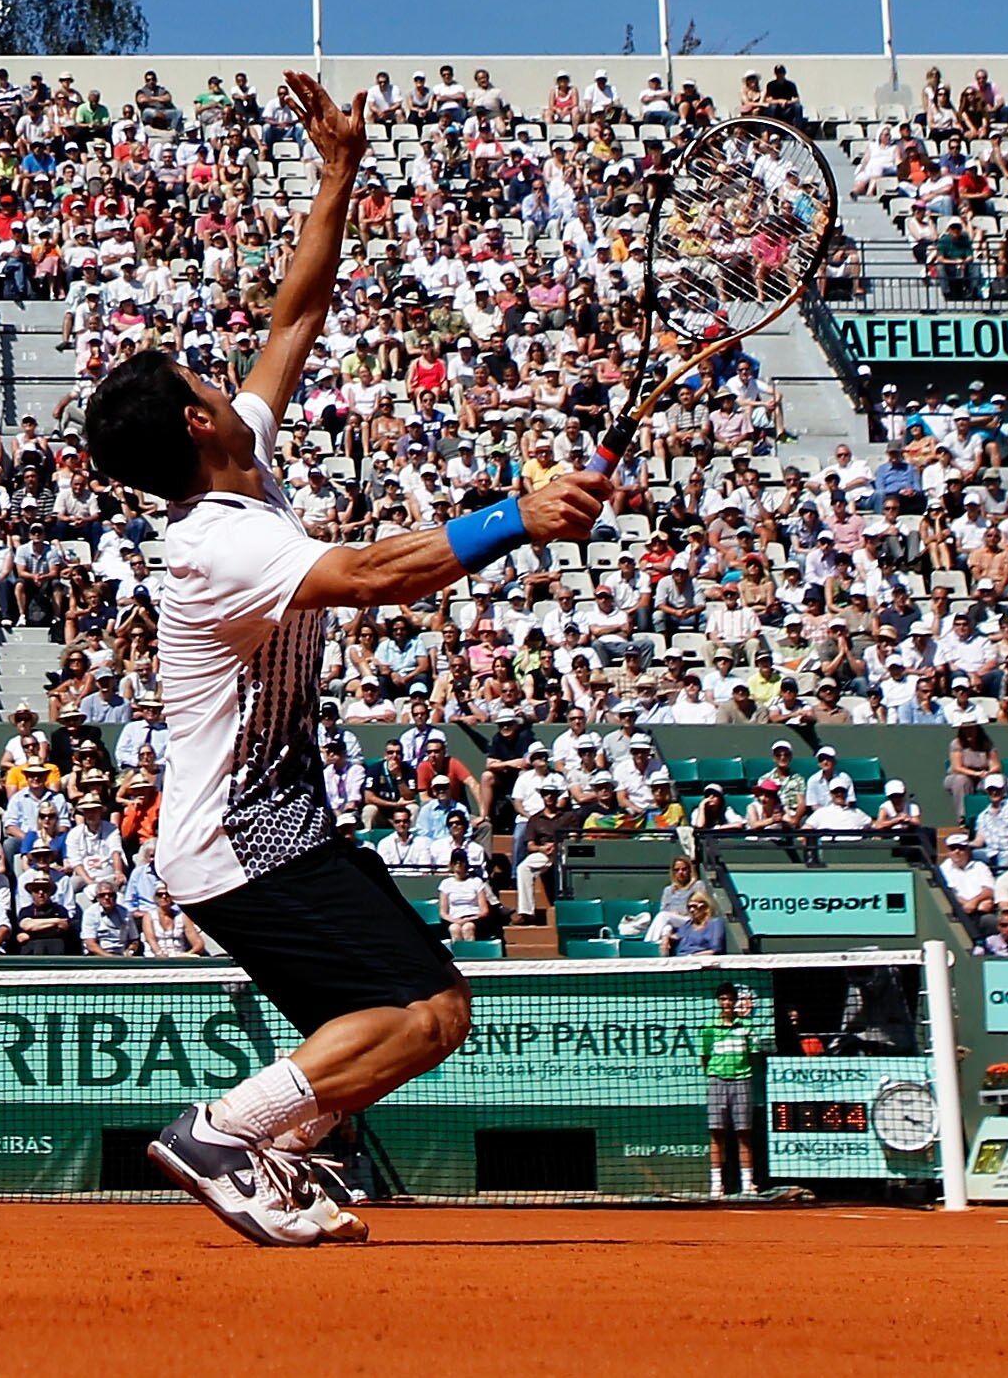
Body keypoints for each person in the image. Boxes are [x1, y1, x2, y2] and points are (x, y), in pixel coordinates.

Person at [77, 71, 606, 1248]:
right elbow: (372, 577)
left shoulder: (239, 463)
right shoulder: (215, 544)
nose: (227, 376)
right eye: (204, 382)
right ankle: (225, 1134)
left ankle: (268, 1149)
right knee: (426, 1015)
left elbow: (294, 320)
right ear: (195, 424)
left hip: (276, 820)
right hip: (236, 837)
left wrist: (339, 170)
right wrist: (516, 518)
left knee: (418, 1016)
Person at [700, 979, 766, 1197]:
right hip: (717, 1081)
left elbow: (754, 1056)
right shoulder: (709, 1029)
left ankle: (748, 1183)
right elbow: (705, 1057)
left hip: (743, 1080)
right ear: (718, 1002)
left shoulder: (746, 1027)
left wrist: (742, 1071)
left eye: (730, 999)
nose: (726, 1003)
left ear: (735, 1002)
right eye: (723, 999)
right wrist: (717, 1073)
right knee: (717, 1134)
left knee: (744, 1133)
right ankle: (716, 1184)